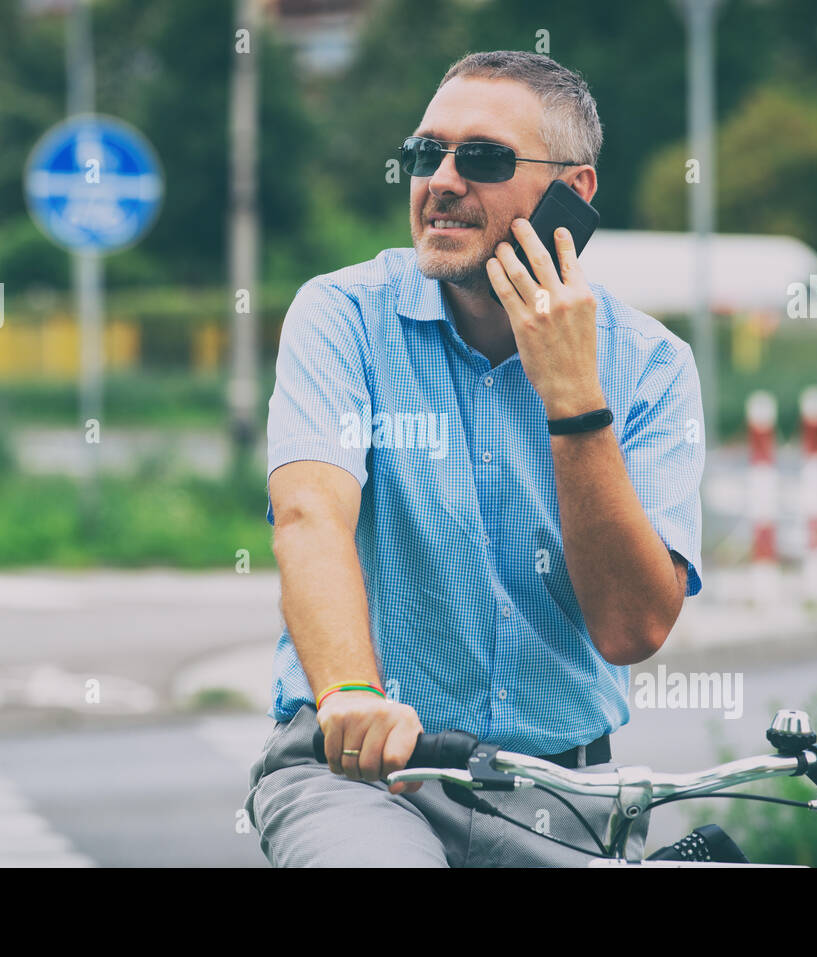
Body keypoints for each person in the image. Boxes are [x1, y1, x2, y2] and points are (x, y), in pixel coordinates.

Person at [243, 50, 705, 867]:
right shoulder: (342, 316)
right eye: (426, 154)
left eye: (483, 158)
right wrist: (352, 692)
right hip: (363, 773)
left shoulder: (654, 364)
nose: (441, 180)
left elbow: (631, 626)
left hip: (561, 794)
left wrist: (574, 399)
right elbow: (311, 517)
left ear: (574, 192)